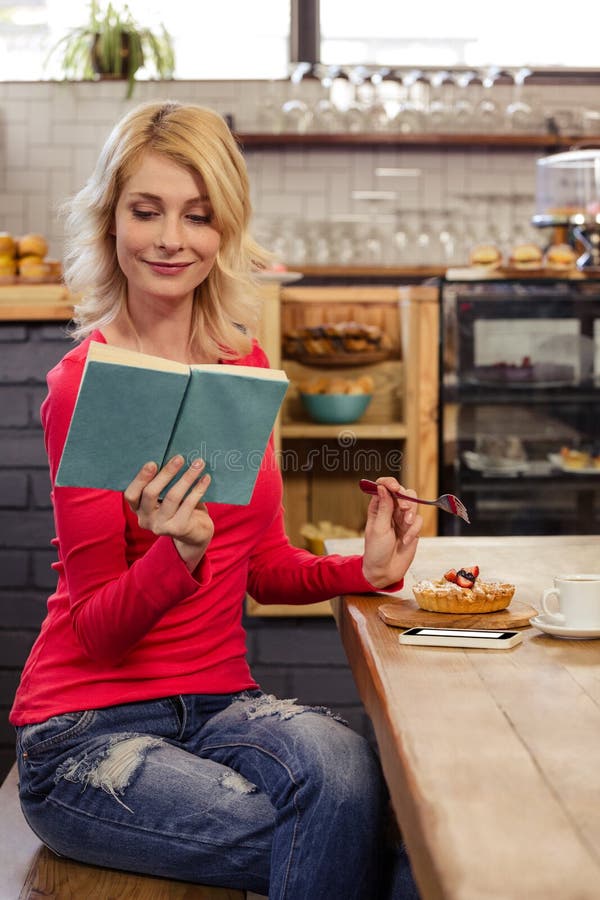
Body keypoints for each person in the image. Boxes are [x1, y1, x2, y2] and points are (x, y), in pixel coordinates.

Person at [10, 100, 422, 899]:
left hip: (223, 706)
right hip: (86, 734)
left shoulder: (244, 365)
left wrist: (360, 570)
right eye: (147, 210)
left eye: (198, 216)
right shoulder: (81, 386)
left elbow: (264, 566)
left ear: (224, 229)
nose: (172, 238)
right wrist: (177, 553)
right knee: (396, 857)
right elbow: (95, 632)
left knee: (347, 763)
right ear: (110, 220)